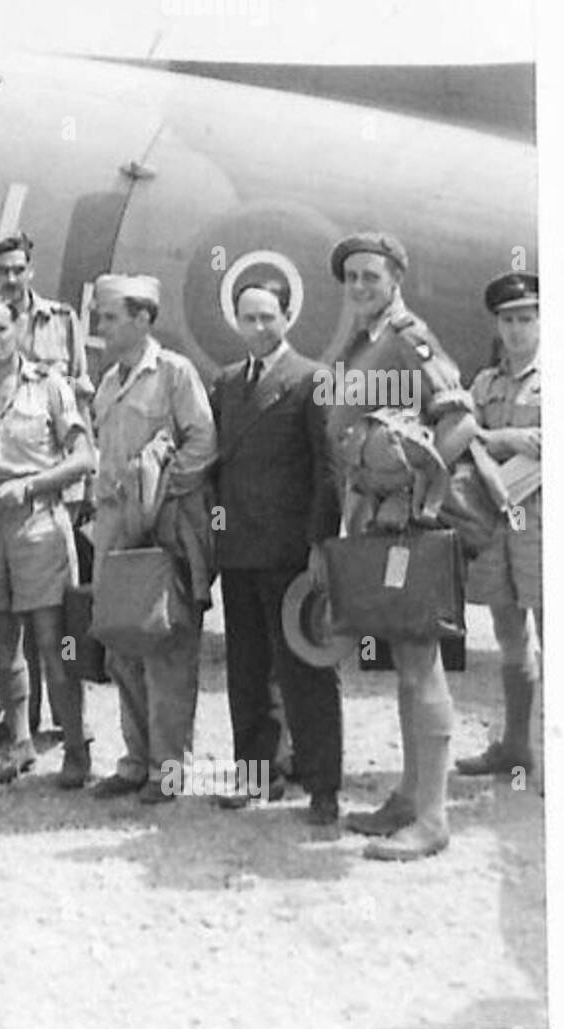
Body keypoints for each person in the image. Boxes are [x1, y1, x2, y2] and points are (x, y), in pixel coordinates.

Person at [323, 232, 474, 860]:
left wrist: (421, 495)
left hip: (407, 523)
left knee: (422, 660)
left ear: (396, 279)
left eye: (372, 277)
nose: (360, 286)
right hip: (375, 520)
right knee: (404, 665)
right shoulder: (363, 339)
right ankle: (410, 796)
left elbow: (459, 417)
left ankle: (433, 818)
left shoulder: (410, 338)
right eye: (352, 277)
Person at [210, 277, 344, 823]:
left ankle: (322, 786)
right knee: (246, 668)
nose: (259, 327)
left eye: (269, 316)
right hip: (239, 548)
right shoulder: (224, 383)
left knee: (305, 668)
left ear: (288, 316)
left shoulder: (312, 380)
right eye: (249, 317)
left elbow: (328, 470)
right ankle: (259, 774)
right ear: (236, 321)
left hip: (291, 553)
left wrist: (320, 544)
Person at [0, 291, 95, 786]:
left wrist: (30, 485)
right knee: (3, 640)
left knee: (54, 641)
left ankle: (76, 747)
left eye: (0, 329)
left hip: (38, 521)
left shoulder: (50, 385)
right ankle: (18, 743)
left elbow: (83, 457)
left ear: (17, 331)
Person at [87, 275, 217, 805]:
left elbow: (203, 442)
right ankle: (135, 760)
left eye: (110, 316)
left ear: (142, 319)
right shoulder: (109, 379)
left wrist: (158, 492)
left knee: (165, 647)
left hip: (163, 532)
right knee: (123, 645)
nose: (100, 325)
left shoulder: (174, 374)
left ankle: (168, 769)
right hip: (115, 531)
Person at [456, 272, 541, 780]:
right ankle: (514, 746)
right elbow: (463, 437)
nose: (516, 330)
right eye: (508, 320)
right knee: (509, 634)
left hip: (545, 527)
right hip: (499, 526)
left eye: (526, 319)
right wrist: (508, 434)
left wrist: (490, 438)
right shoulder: (484, 384)